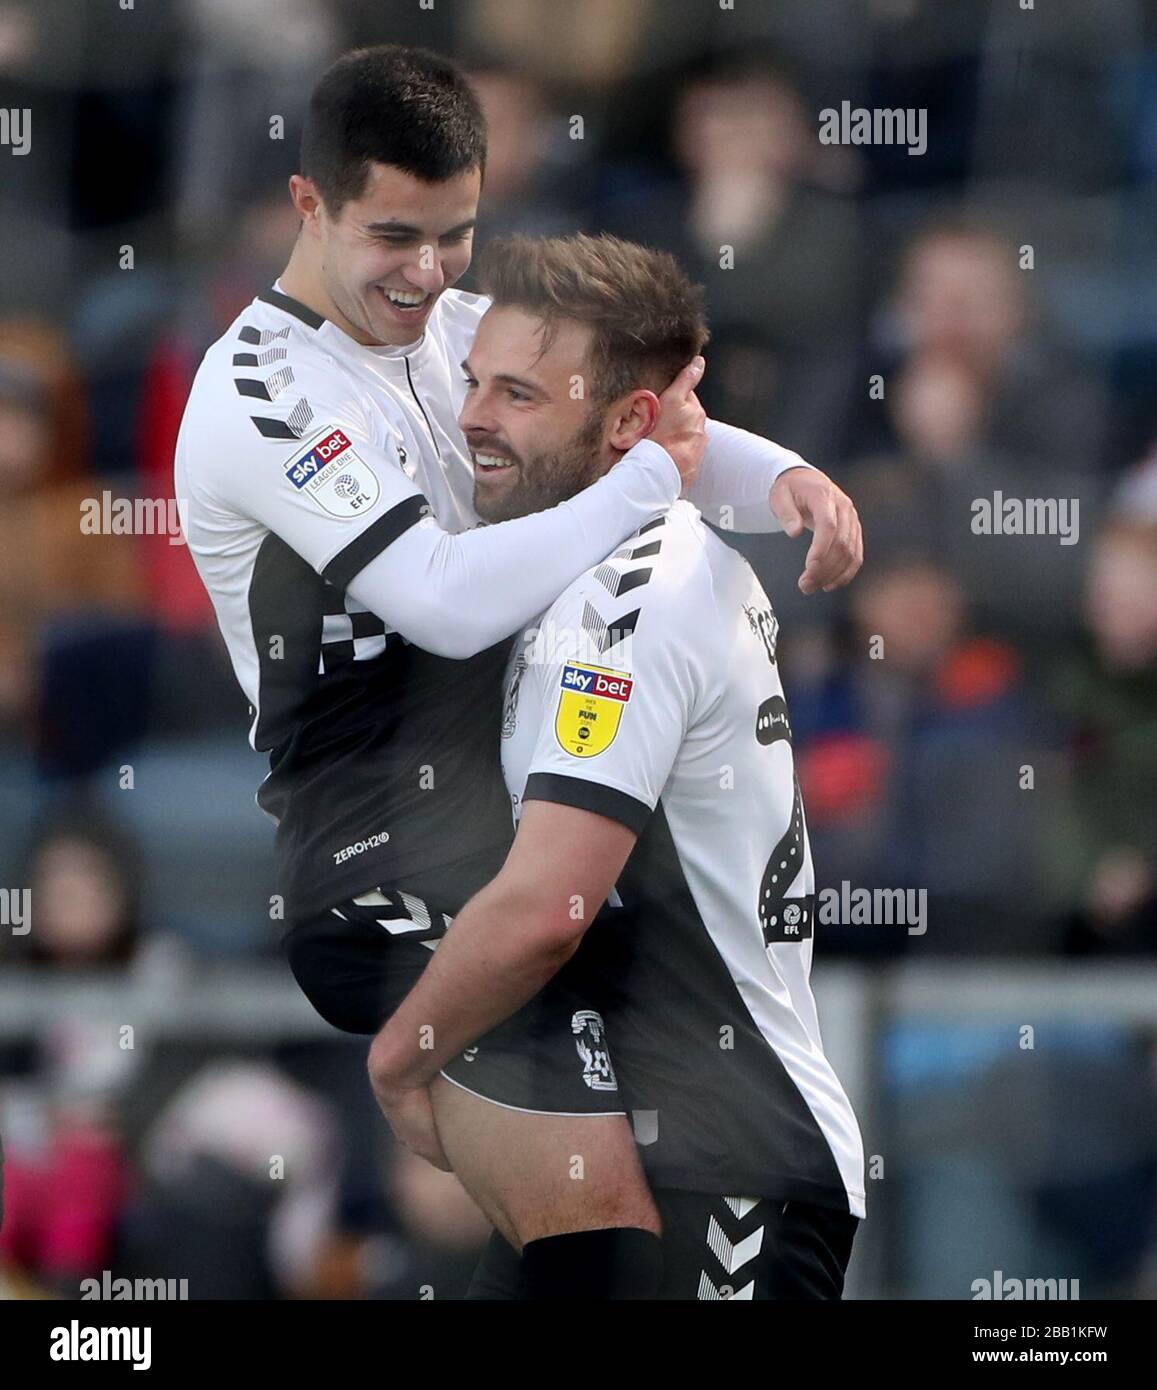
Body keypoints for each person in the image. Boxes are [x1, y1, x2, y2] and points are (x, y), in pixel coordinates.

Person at [175, 44, 863, 1298]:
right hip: (382, 869)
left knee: (603, 1243)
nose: (431, 274)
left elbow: (584, 417)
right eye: (396, 235)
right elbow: (441, 599)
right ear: (307, 203)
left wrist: (778, 481)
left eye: (456, 235)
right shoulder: (257, 394)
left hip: (492, 836)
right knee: (598, 1223)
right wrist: (654, 473)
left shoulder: (438, 327)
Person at [368, 233, 865, 1299]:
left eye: (518, 394)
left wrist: (403, 1051)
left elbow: (552, 901)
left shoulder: (633, 597)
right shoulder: (578, 565)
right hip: (615, 1155)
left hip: (724, 1165)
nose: (473, 419)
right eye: (472, 384)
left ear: (626, 428)